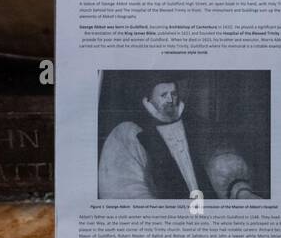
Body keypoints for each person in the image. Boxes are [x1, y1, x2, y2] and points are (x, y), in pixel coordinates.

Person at [98, 79, 261, 200]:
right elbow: (125, 186)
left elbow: (219, 157)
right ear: (148, 101)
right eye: (163, 95)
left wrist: (240, 192)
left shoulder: (195, 124)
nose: (170, 100)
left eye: (173, 94)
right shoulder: (131, 132)